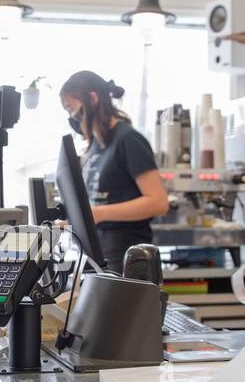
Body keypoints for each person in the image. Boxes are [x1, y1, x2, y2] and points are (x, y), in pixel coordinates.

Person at [59, 70, 169, 275]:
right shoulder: (96, 145)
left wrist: (98, 214)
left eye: (71, 108)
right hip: (100, 256)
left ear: (92, 98)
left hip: (128, 260)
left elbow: (158, 202)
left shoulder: (128, 139)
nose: (72, 117)